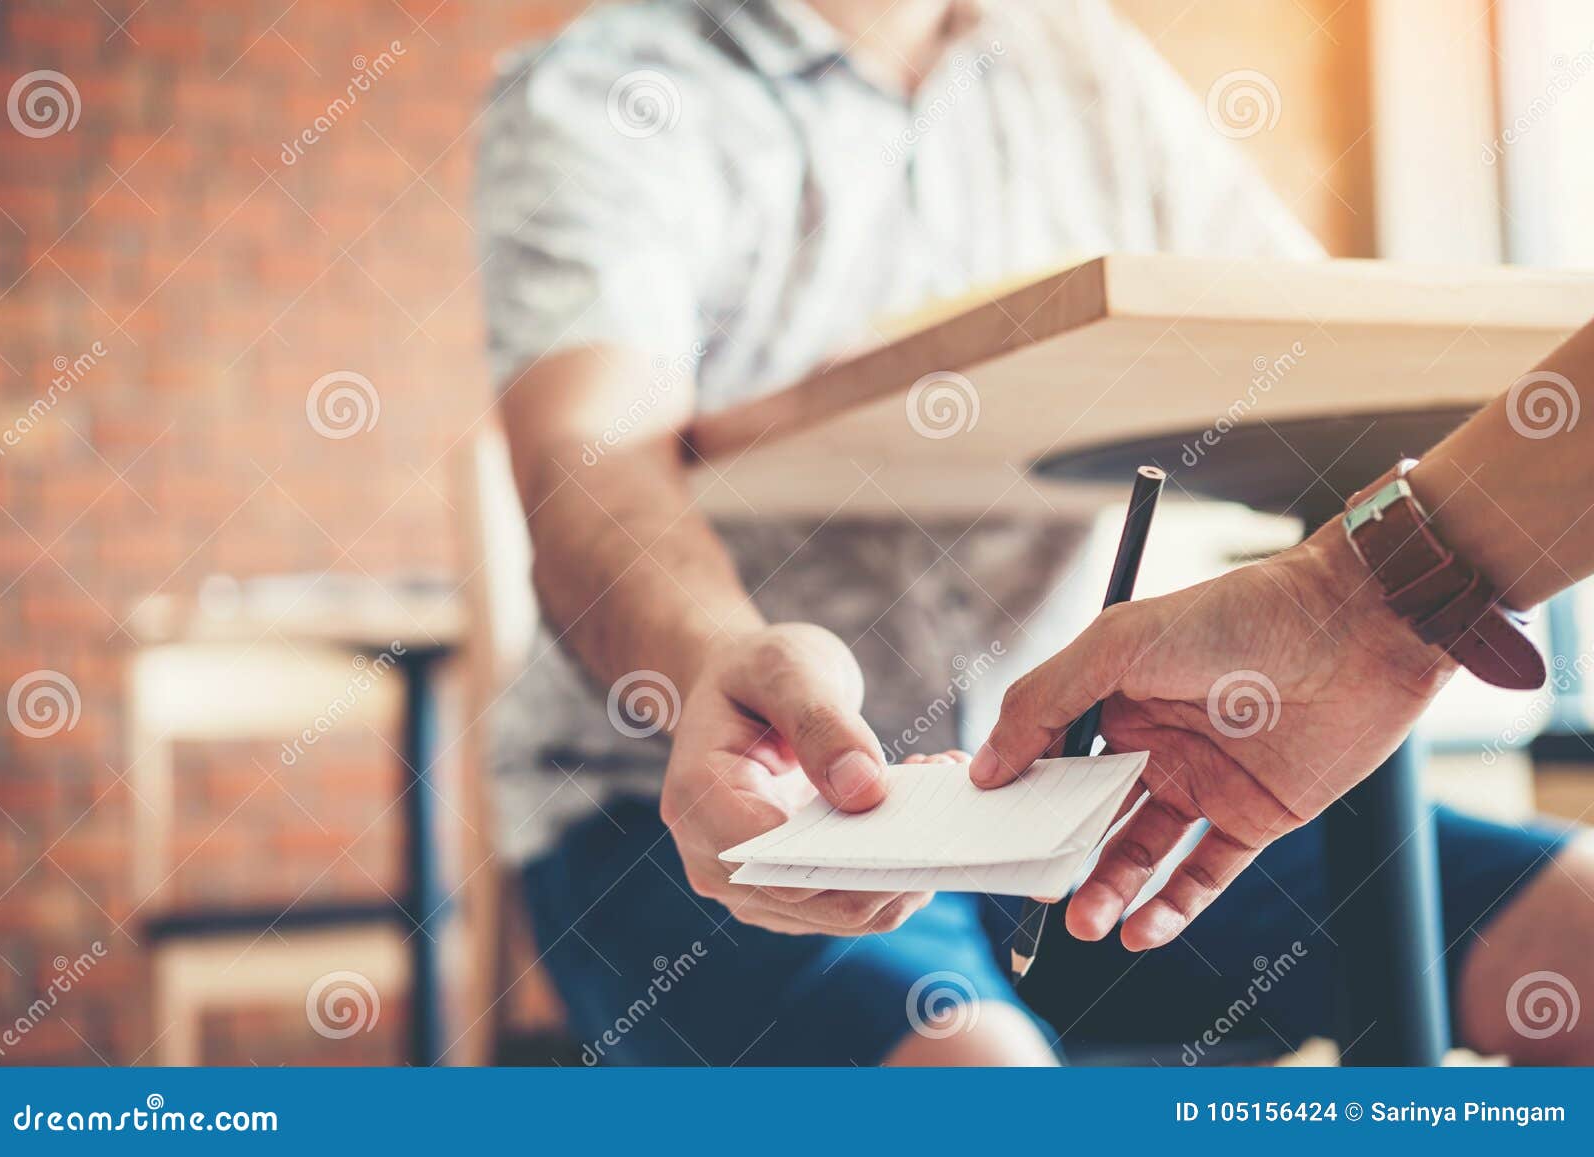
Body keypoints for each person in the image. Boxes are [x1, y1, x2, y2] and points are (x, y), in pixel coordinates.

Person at [476, 0, 1590, 1065]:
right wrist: (711, 654)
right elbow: (590, 456)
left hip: (1101, 787)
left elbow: (1301, 333)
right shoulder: (606, 90)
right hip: (737, 799)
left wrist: (1366, 594)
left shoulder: (1077, 54)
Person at [974, 316, 1594, 1061]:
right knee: (978, 1072)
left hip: (1132, 782)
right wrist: (1354, 595)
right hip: (876, 839)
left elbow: (1322, 325)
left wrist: (1356, 600)